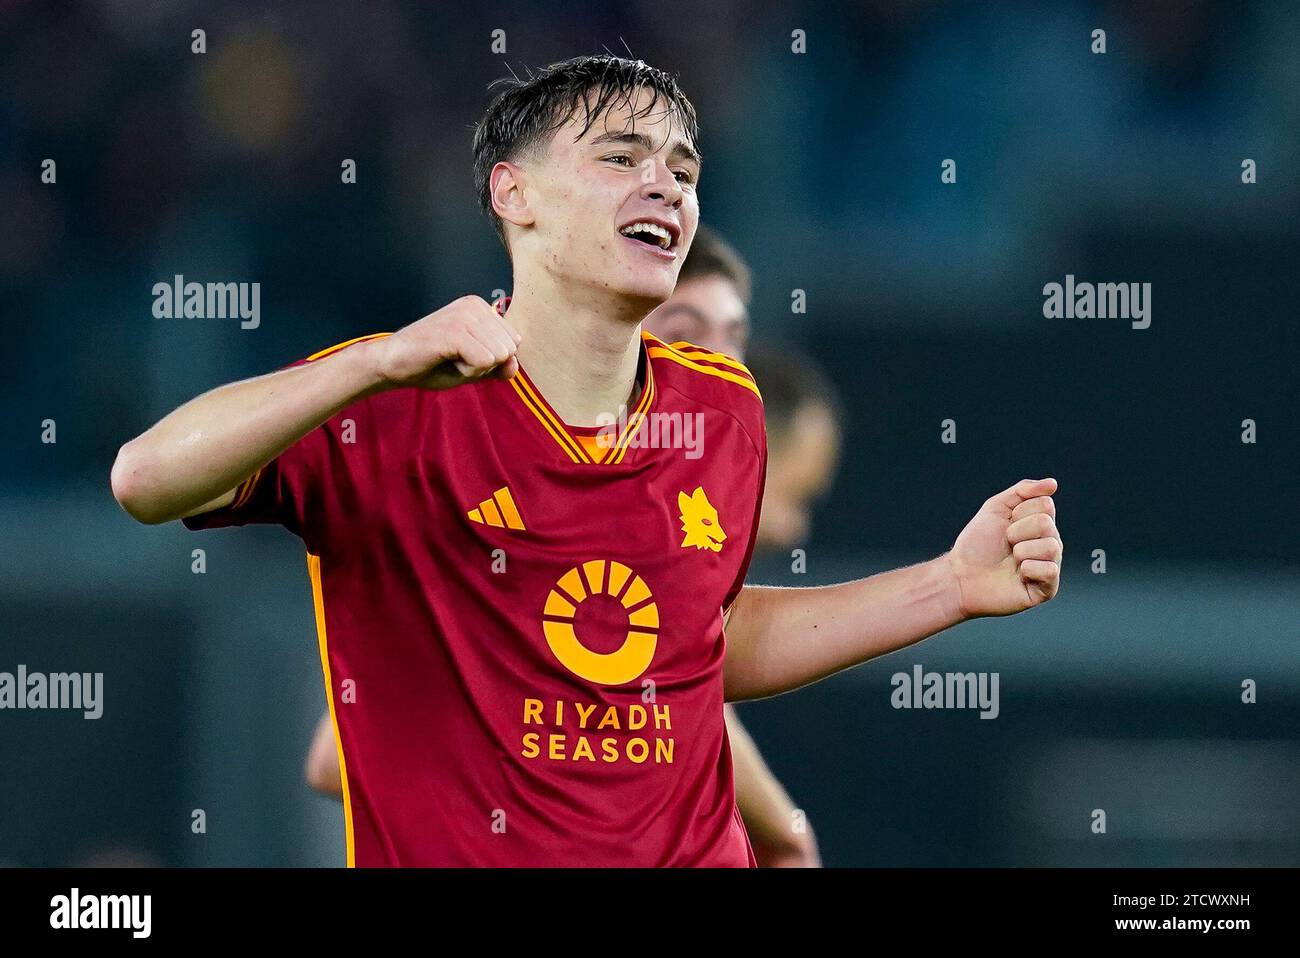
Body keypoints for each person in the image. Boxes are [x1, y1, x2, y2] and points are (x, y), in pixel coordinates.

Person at [112, 55, 1062, 867]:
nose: (668, 186)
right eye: (621, 158)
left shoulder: (723, 409)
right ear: (511, 194)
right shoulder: (390, 400)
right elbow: (145, 480)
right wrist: (375, 360)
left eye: (685, 170)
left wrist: (949, 584)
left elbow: (706, 643)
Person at [304, 224, 821, 867]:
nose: (719, 364)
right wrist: (776, 818)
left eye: (734, 338)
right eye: (688, 335)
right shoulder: (500, 486)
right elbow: (338, 752)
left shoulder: (683, 495)